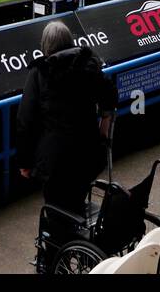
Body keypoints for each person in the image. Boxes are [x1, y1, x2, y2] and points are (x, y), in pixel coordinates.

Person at [16, 21, 115, 215]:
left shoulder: (39, 73)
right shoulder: (88, 64)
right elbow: (110, 95)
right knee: (75, 203)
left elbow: (24, 121)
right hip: (88, 154)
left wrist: (24, 162)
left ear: (45, 45)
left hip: (56, 162)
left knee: (57, 213)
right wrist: (104, 124)